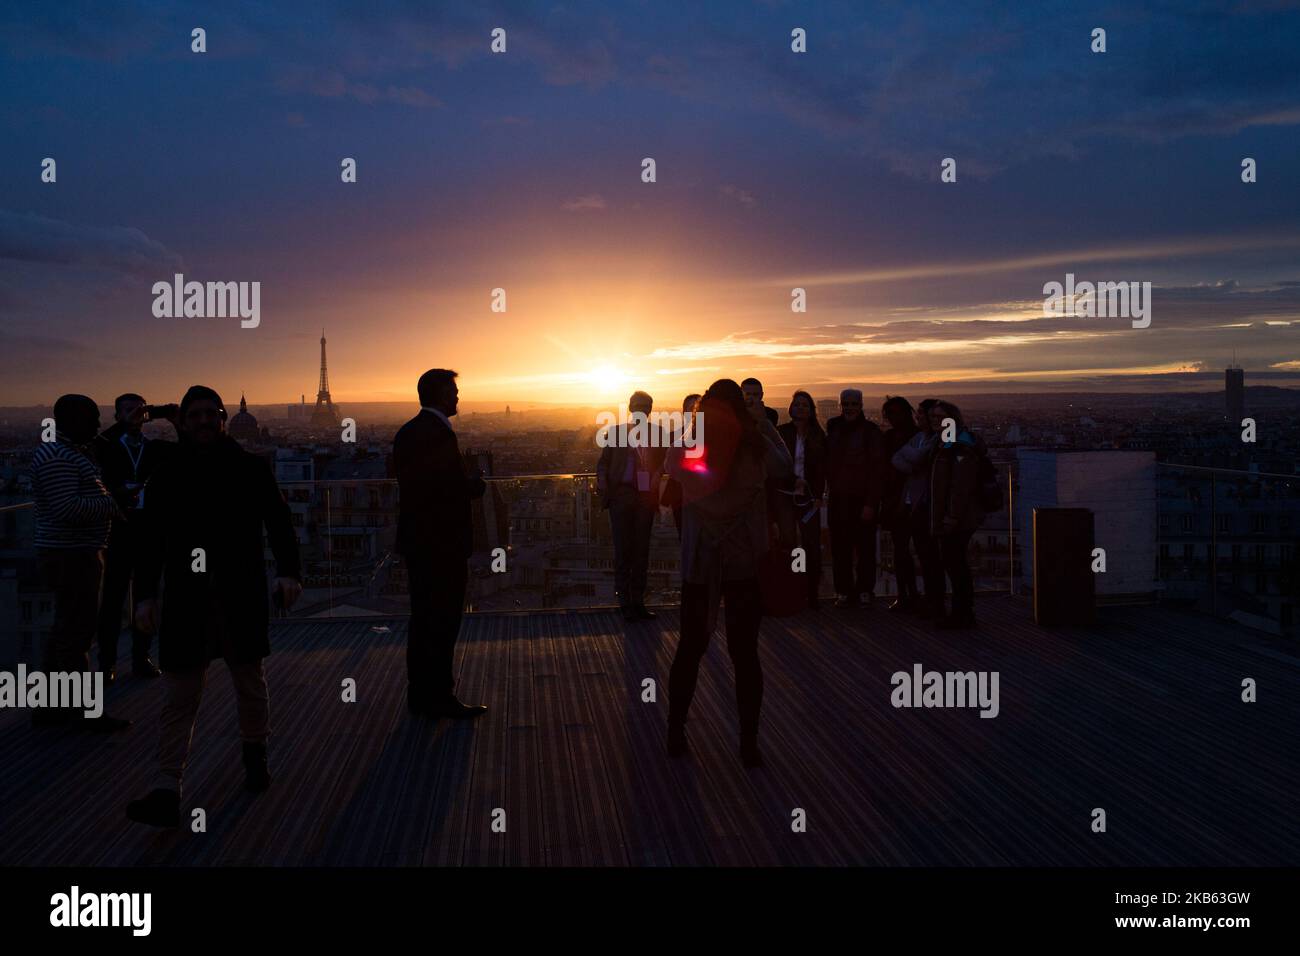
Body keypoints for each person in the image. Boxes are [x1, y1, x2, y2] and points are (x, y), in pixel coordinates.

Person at [125, 386, 302, 827]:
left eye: (211, 414)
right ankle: (169, 785)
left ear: (224, 419)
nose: (205, 421)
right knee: (183, 693)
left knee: (245, 682)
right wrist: (144, 593)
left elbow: (278, 521)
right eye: (196, 415)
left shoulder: (215, 470)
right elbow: (151, 541)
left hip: (222, 593)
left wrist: (289, 572)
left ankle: (252, 753)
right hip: (202, 596)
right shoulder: (221, 470)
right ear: (184, 422)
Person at [665, 379, 792, 768]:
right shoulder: (753, 447)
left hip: (701, 562)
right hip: (742, 563)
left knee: (690, 649)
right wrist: (763, 423)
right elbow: (784, 467)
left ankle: (675, 731)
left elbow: (670, 467)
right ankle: (748, 743)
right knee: (745, 654)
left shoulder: (693, 444)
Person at [29, 394, 130, 731]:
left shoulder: (63, 451)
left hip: (69, 552)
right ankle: (81, 711)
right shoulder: (59, 455)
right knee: (77, 635)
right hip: (71, 554)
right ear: (71, 420)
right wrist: (110, 504)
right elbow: (67, 508)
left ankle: (50, 708)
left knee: (65, 632)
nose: (98, 425)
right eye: (92, 419)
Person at [393, 369, 489, 717]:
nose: (459, 396)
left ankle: (420, 695)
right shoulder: (439, 435)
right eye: (454, 390)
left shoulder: (407, 432)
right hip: (442, 544)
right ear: (440, 395)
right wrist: (473, 485)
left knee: (422, 620)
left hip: (418, 542)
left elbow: (418, 485)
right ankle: (441, 696)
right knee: (444, 621)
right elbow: (445, 488)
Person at [93, 393, 177, 682]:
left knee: (146, 598)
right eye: (126, 411)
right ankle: (107, 663)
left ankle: (141, 657)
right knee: (113, 601)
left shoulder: (155, 449)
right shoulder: (109, 448)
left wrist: (168, 415)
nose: (133, 414)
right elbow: (95, 446)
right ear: (116, 417)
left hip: (149, 531)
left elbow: (188, 449)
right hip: (117, 529)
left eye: (137, 410)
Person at [596, 391, 665, 622]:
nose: (641, 410)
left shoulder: (655, 433)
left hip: (641, 496)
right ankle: (628, 602)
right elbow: (603, 464)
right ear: (630, 408)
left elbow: (665, 461)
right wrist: (604, 483)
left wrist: (657, 474)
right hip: (623, 494)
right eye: (638, 406)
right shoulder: (618, 432)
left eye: (645, 406)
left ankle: (634, 602)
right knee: (626, 551)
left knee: (639, 552)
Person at [928, 401, 987, 630]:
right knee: (955, 563)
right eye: (933, 416)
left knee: (955, 564)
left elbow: (960, 486)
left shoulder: (958, 446)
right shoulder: (949, 442)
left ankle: (962, 613)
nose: (935, 420)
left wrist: (951, 516)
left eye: (940, 417)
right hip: (956, 515)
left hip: (958, 517)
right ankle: (962, 612)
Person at [824, 388, 885, 607]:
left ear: (861, 406)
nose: (849, 408)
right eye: (846, 404)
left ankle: (862, 590)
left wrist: (870, 503)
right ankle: (847, 591)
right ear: (841, 405)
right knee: (841, 547)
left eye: (853, 404)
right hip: (839, 497)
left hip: (860, 498)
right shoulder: (834, 427)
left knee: (864, 547)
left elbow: (877, 470)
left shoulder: (870, 432)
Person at [892, 399, 944, 617]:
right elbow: (897, 459)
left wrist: (912, 459)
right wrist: (914, 461)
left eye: (923, 415)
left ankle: (934, 601)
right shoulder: (920, 438)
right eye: (920, 415)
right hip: (913, 502)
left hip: (924, 504)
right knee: (924, 554)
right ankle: (929, 600)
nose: (919, 418)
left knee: (929, 555)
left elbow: (912, 457)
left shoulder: (934, 440)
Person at [777, 391, 827, 608]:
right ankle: (792, 590)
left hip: (808, 499)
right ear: (790, 408)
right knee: (789, 545)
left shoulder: (818, 435)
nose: (800, 408)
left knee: (809, 545)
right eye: (796, 404)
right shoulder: (781, 433)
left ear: (811, 410)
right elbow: (776, 466)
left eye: (804, 405)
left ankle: (811, 592)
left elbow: (822, 470)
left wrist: (818, 495)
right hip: (785, 497)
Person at [880, 396, 920, 612]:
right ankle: (909, 595)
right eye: (890, 414)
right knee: (904, 551)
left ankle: (906, 595)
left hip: (902, 500)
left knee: (903, 550)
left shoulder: (891, 438)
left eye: (896, 413)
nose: (894, 418)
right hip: (904, 500)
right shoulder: (918, 436)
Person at [660, 393, 700, 539]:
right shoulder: (672, 436)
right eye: (691, 409)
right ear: (684, 413)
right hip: (680, 496)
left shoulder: (710, 436)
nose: (694, 411)